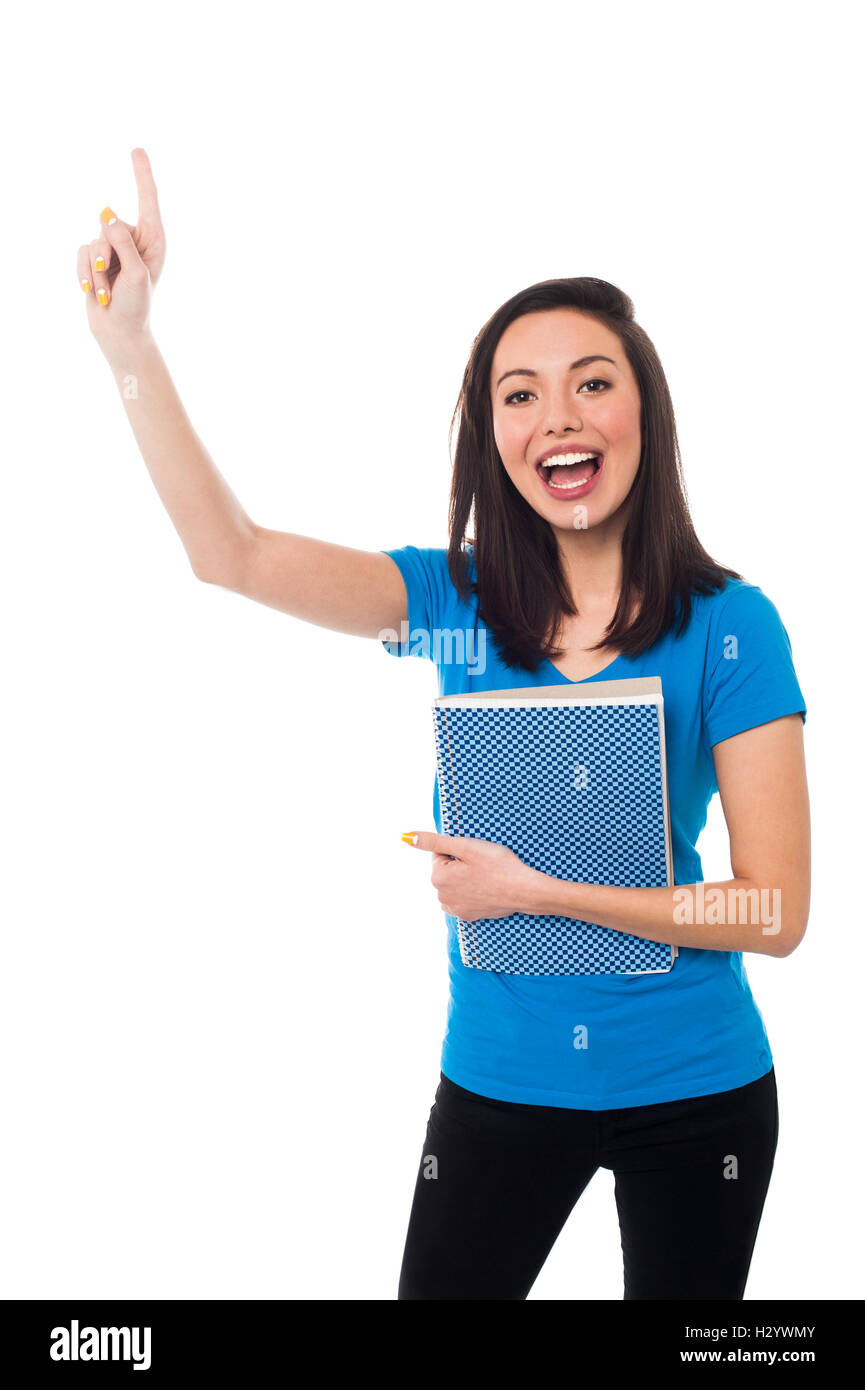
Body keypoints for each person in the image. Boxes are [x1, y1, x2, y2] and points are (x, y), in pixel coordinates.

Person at [78, 149, 810, 1302]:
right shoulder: (452, 605)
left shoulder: (732, 628)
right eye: (519, 393)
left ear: (642, 409)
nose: (556, 416)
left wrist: (536, 893)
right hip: (500, 1086)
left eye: (590, 382)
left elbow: (773, 913)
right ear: (492, 437)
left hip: (699, 1089)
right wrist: (129, 350)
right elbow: (233, 554)